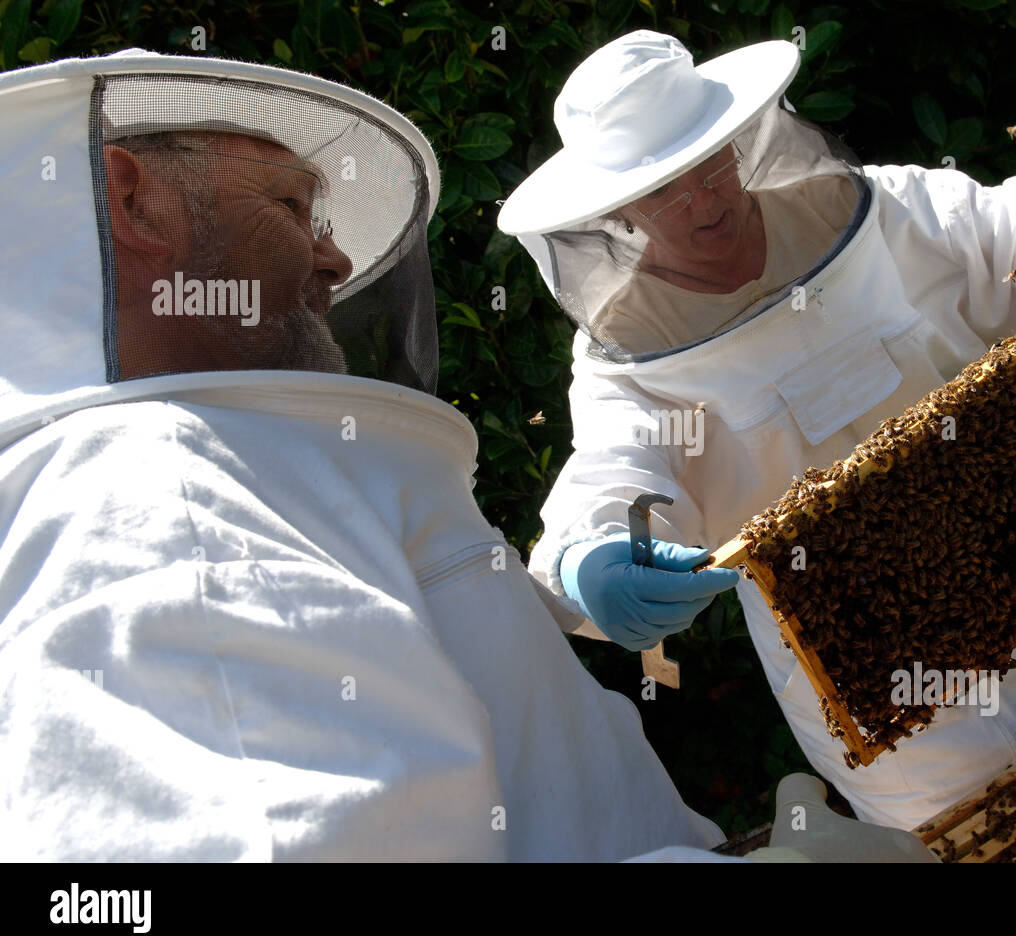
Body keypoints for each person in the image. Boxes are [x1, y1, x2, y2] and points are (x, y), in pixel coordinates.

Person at [0, 47, 736, 862]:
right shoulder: (156, 486)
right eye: (290, 203)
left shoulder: (229, 464)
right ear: (131, 199)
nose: (338, 261)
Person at [497, 31, 1016, 830]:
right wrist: (593, 555)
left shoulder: (881, 210)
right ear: (619, 211)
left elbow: (1010, 226)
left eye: (712, 161)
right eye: (665, 188)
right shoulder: (627, 363)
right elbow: (614, 475)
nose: (705, 199)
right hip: (899, 733)